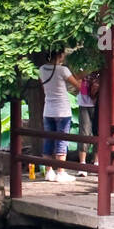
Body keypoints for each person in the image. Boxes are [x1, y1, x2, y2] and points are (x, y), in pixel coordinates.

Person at [38, 50, 84, 181]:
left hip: (48, 109)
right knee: (62, 140)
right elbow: (78, 86)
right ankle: (61, 172)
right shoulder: (63, 70)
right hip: (62, 110)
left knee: (48, 140)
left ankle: (48, 172)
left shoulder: (41, 69)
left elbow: (44, 86)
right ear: (59, 55)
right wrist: (82, 75)